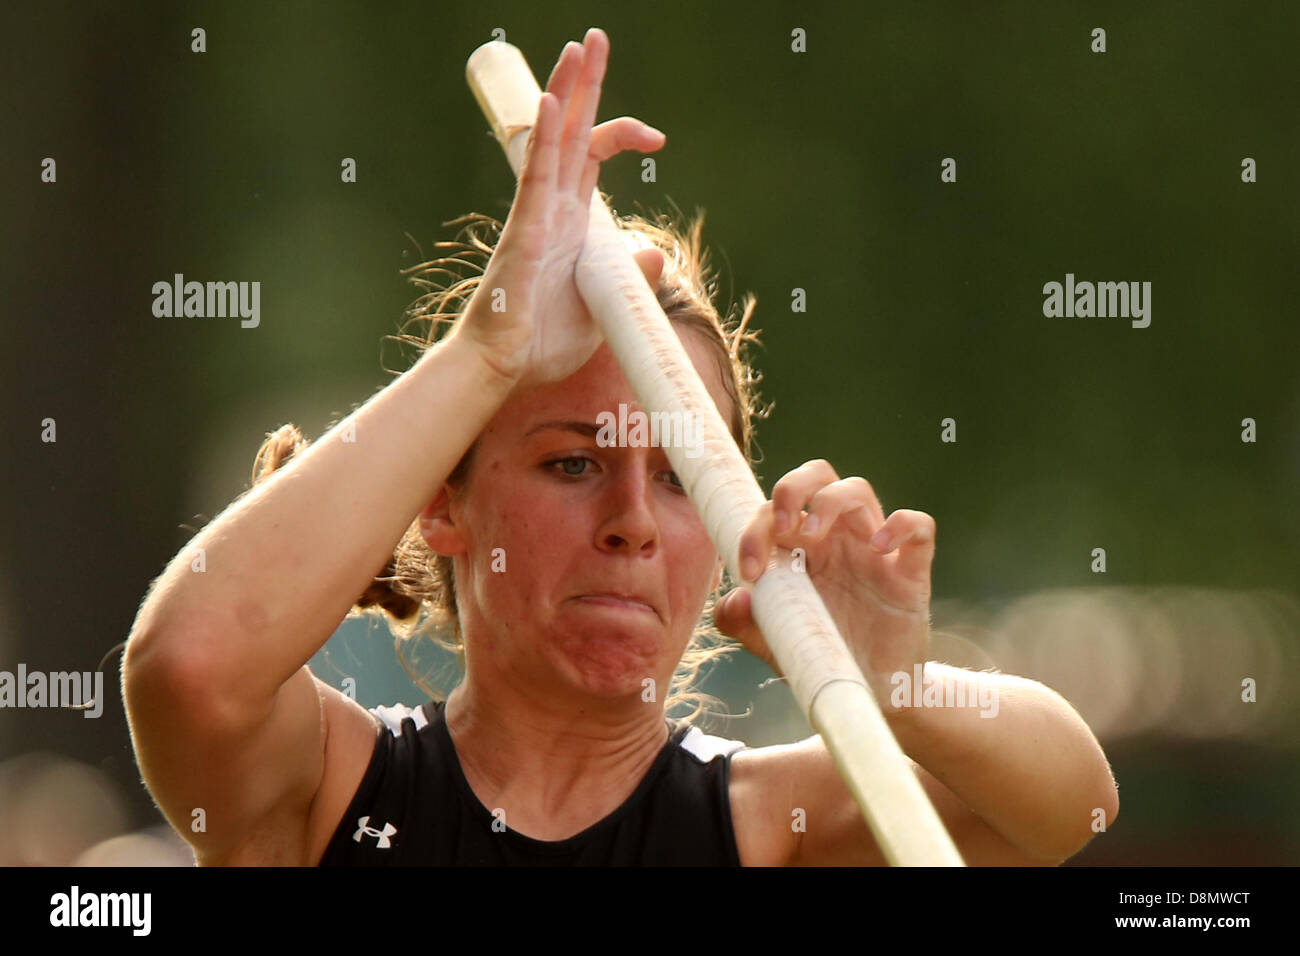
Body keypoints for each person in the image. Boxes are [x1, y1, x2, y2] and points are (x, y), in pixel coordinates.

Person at [122, 27, 1119, 866]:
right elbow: (190, 663)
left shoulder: (773, 826)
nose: (634, 522)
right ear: (441, 502)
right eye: (572, 462)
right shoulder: (326, 792)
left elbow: (1070, 804)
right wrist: (489, 349)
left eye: (682, 478)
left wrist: (895, 683)